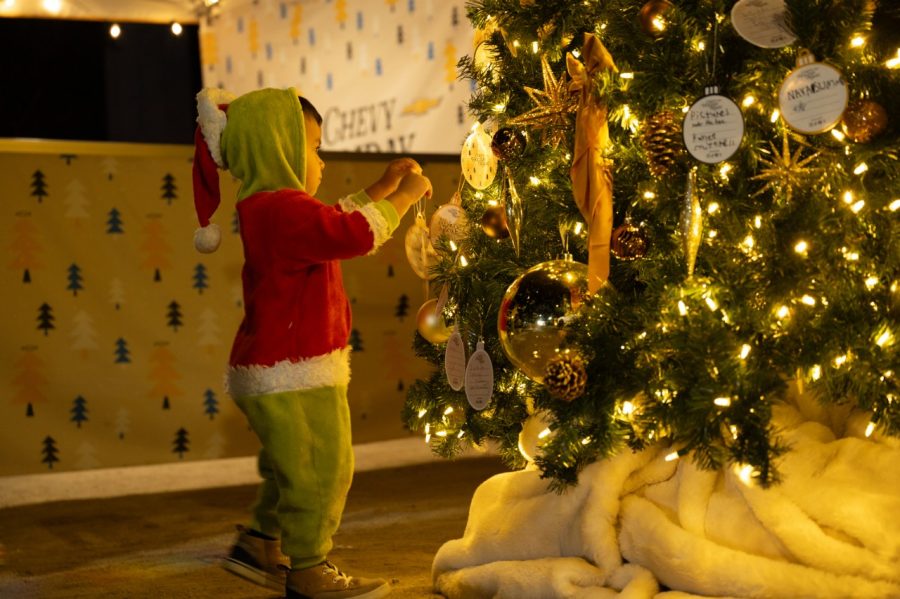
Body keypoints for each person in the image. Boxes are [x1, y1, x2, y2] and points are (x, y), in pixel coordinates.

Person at [191, 87, 431, 599]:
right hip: (295, 371)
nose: (321, 162)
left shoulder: (270, 207)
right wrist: (406, 196)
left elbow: (332, 223)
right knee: (323, 468)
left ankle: (259, 543)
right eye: (314, 148)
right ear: (277, 147)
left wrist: (382, 186)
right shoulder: (282, 209)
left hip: (274, 368)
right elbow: (351, 235)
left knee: (291, 467)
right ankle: (309, 569)